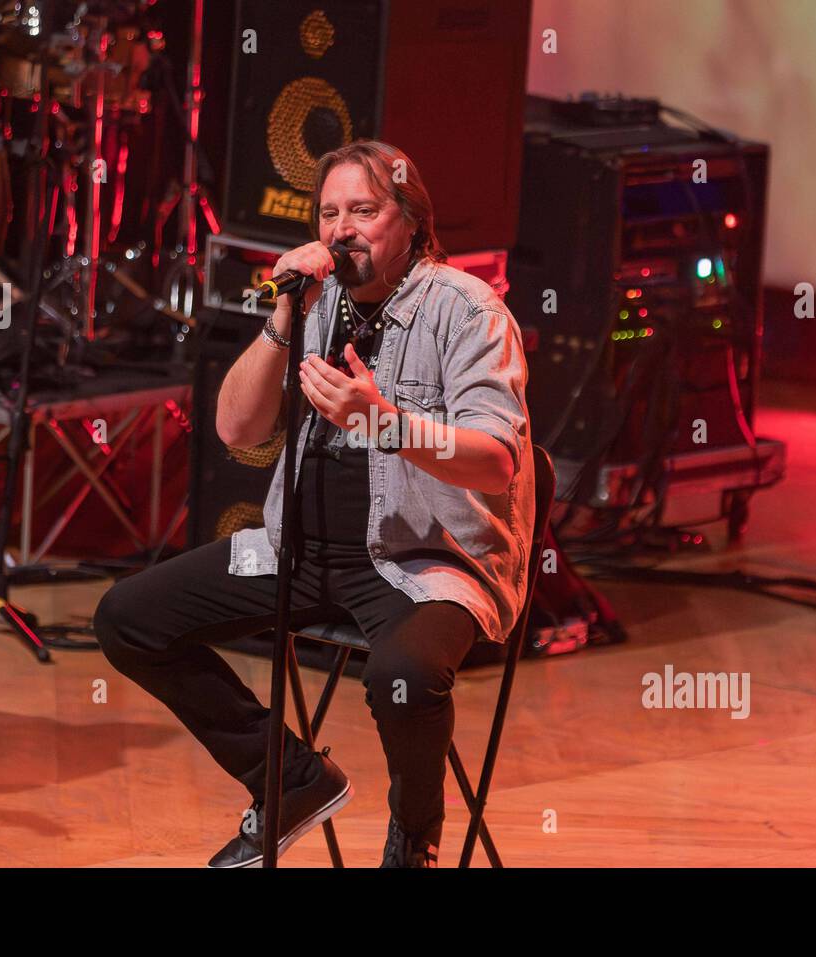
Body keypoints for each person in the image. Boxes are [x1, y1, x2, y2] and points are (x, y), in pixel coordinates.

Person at [94, 140, 533, 867]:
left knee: (403, 677)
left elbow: (498, 462)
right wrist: (282, 313)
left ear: (412, 221)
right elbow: (236, 429)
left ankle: (413, 837)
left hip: (421, 561)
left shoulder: (467, 311)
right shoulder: (316, 303)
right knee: (128, 618)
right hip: (294, 548)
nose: (341, 230)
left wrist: (383, 422)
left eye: (363, 210)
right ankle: (291, 779)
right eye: (328, 214)